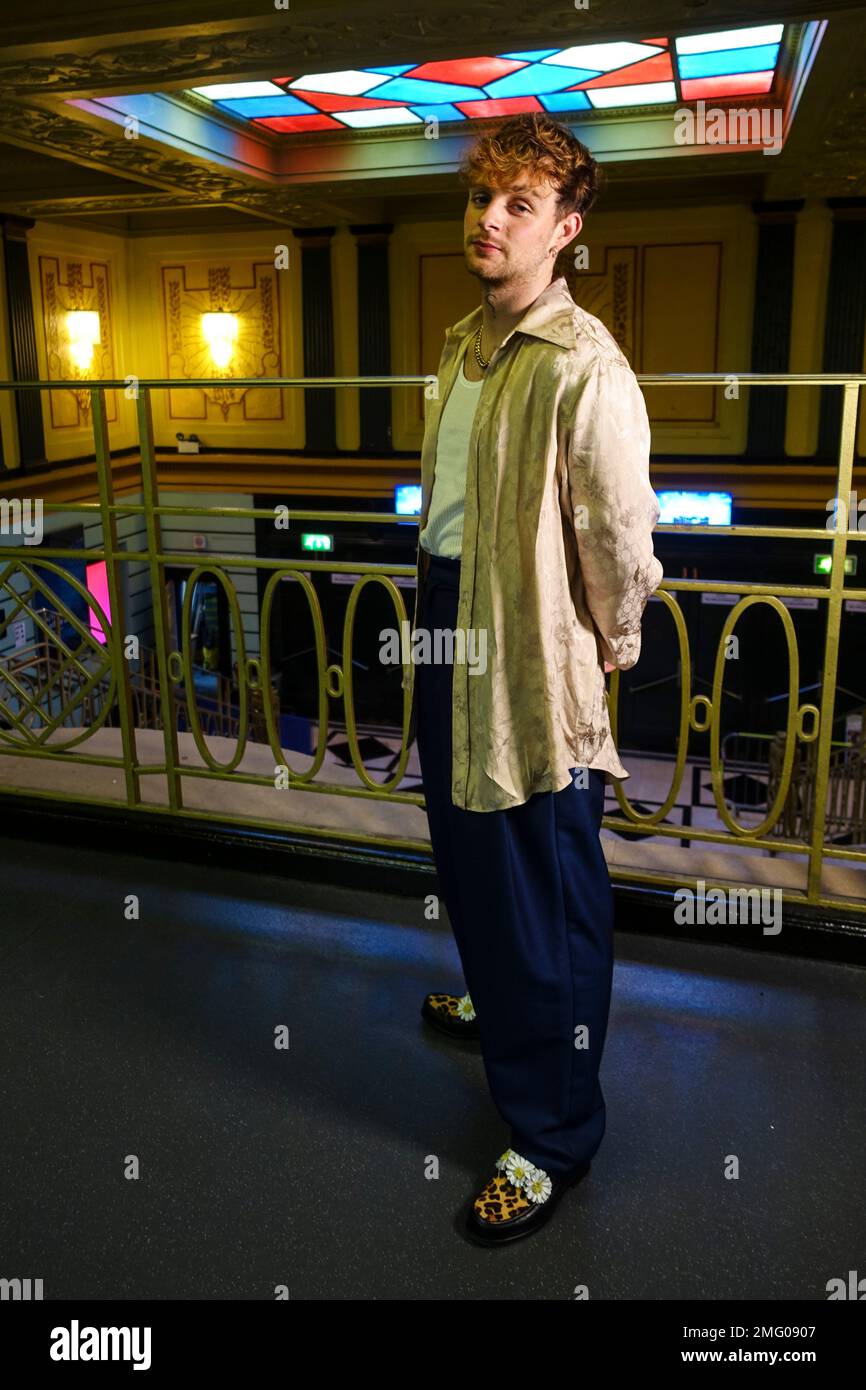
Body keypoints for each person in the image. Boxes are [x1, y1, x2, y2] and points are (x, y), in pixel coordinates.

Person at [401, 112, 664, 1246]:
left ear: (565, 228)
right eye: (480, 200)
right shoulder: (462, 344)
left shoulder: (586, 366)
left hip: (533, 648)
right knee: (465, 844)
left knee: (544, 890)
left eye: (518, 205)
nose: (489, 220)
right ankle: (503, 1002)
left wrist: (606, 652)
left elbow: (615, 537)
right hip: (443, 615)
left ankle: (552, 1133)